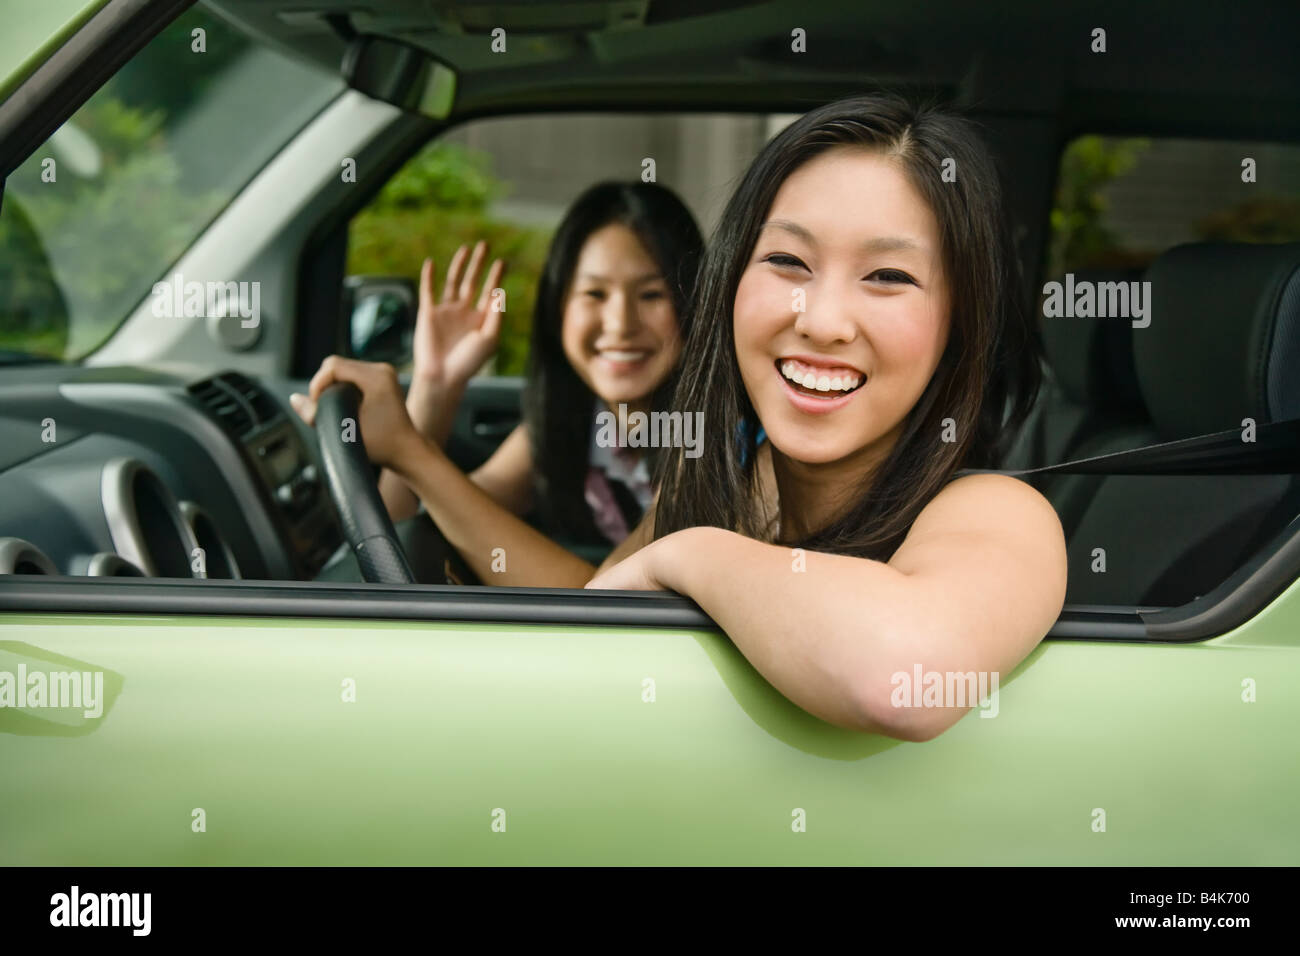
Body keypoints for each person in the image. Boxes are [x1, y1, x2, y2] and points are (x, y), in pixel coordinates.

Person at [297, 94, 1068, 742]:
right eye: (789, 263)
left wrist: (687, 554)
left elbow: (904, 680)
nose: (823, 319)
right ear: (730, 285)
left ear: (959, 325)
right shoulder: (732, 477)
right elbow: (596, 619)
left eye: (889, 276)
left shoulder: (1001, 515)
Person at [292, 181, 703, 586]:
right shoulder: (578, 420)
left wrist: (409, 451)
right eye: (594, 293)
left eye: (651, 295)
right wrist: (435, 387)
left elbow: (606, 599)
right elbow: (403, 534)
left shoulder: (706, 436)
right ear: (557, 309)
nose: (620, 324)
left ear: (697, 303)